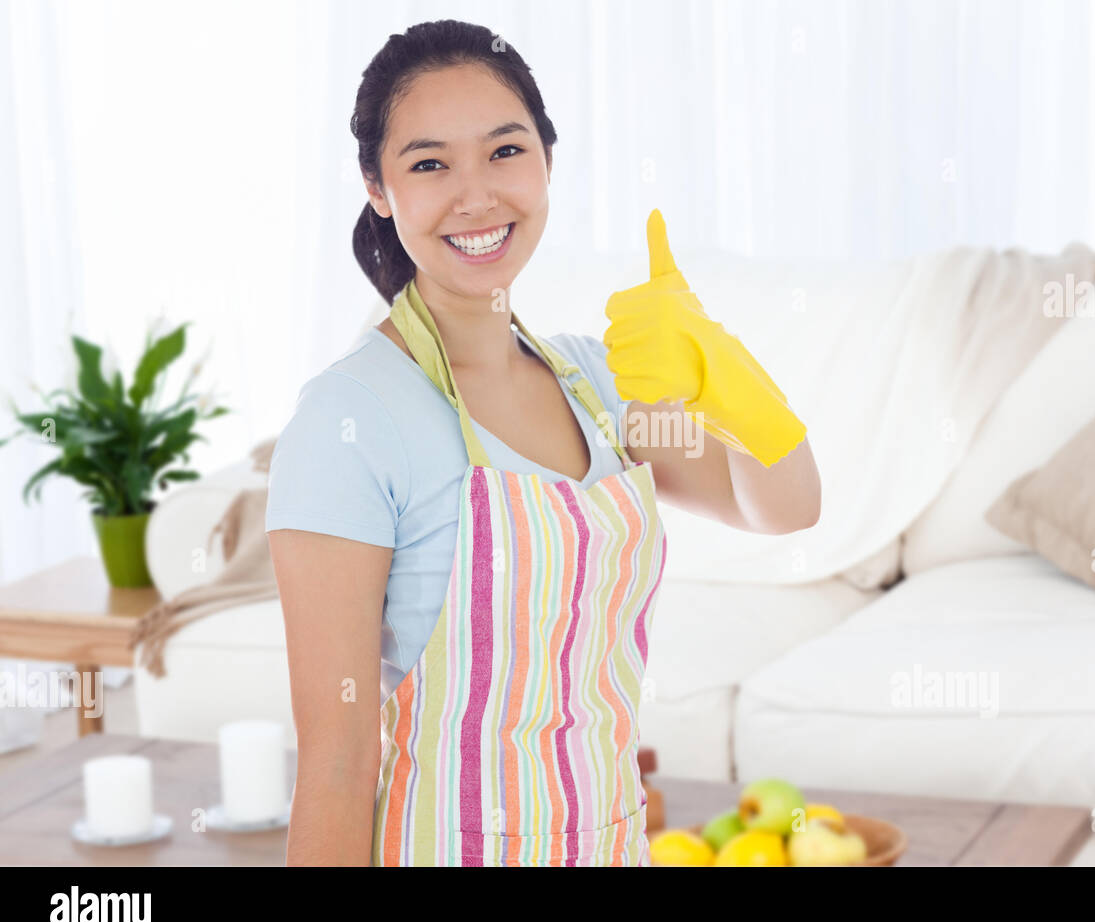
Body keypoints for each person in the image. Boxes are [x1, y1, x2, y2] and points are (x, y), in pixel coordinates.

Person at [266, 18, 820, 867]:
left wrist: (734, 384)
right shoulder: (349, 422)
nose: (476, 196)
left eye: (505, 151)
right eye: (428, 164)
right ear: (378, 188)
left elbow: (781, 506)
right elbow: (338, 766)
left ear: (547, 163)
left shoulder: (595, 387)